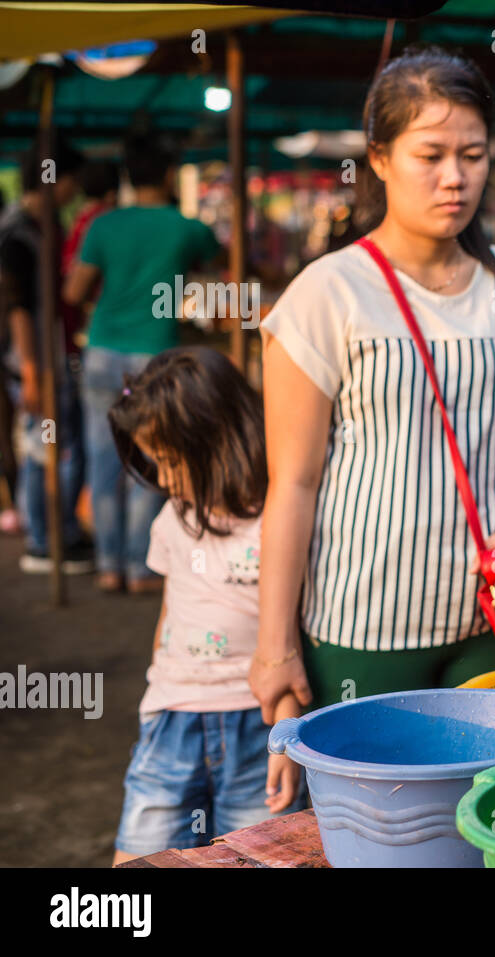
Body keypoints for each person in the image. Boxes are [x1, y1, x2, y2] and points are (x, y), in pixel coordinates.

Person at [254, 46, 495, 722]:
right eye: (430, 156)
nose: (454, 178)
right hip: (363, 631)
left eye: (473, 155)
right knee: (378, 820)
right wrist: (275, 645)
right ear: (379, 158)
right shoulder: (327, 293)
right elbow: (293, 482)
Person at [108, 347, 305, 866]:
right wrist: (159, 693)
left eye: (171, 462)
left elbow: (294, 630)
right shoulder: (173, 519)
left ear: (219, 439)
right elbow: (170, 614)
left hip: (256, 725)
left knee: (257, 856)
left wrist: (287, 729)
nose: (165, 479)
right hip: (171, 723)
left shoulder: (282, 521)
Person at [64, 134, 224, 594]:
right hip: (155, 354)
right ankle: (139, 566)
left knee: (102, 460)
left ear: (128, 176)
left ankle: (108, 564)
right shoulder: (185, 227)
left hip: (101, 351)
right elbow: (222, 273)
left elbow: (73, 292)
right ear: (170, 174)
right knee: (155, 461)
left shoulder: (104, 225)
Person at [0, 137, 94, 574]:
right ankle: (42, 540)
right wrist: (33, 370)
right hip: (32, 360)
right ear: (56, 179)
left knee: (53, 445)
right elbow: (17, 306)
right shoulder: (19, 232)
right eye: (71, 180)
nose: (74, 190)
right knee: (46, 447)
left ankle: (56, 533)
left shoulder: (41, 226)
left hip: (45, 355)